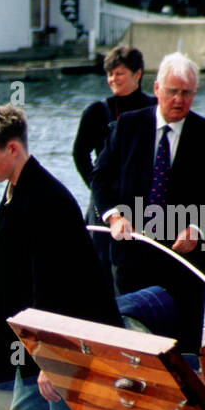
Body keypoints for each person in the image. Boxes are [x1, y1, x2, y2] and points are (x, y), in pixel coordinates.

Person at [0, 105, 123, 410]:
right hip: (30, 345)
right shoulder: (16, 191)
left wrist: (52, 361)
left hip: (61, 347)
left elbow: (57, 288)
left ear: (12, 148)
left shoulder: (45, 199)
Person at [92, 52, 205, 355]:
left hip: (184, 261)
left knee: (183, 351)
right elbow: (100, 177)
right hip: (131, 258)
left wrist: (197, 228)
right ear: (156, 89)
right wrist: (114, 217)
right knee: (130, 347)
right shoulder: (126, 126)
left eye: (187, 93)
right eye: (172, 92)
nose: (179, 100)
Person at [72, 44, 156, 271]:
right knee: (100, 266)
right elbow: (79, 154)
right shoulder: (96, 112)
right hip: (105, 201)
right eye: (109, 74)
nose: (113, 79)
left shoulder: (155, 107)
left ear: (137, 74)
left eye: (119, 73)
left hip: (143, 199)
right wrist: (96, 186)